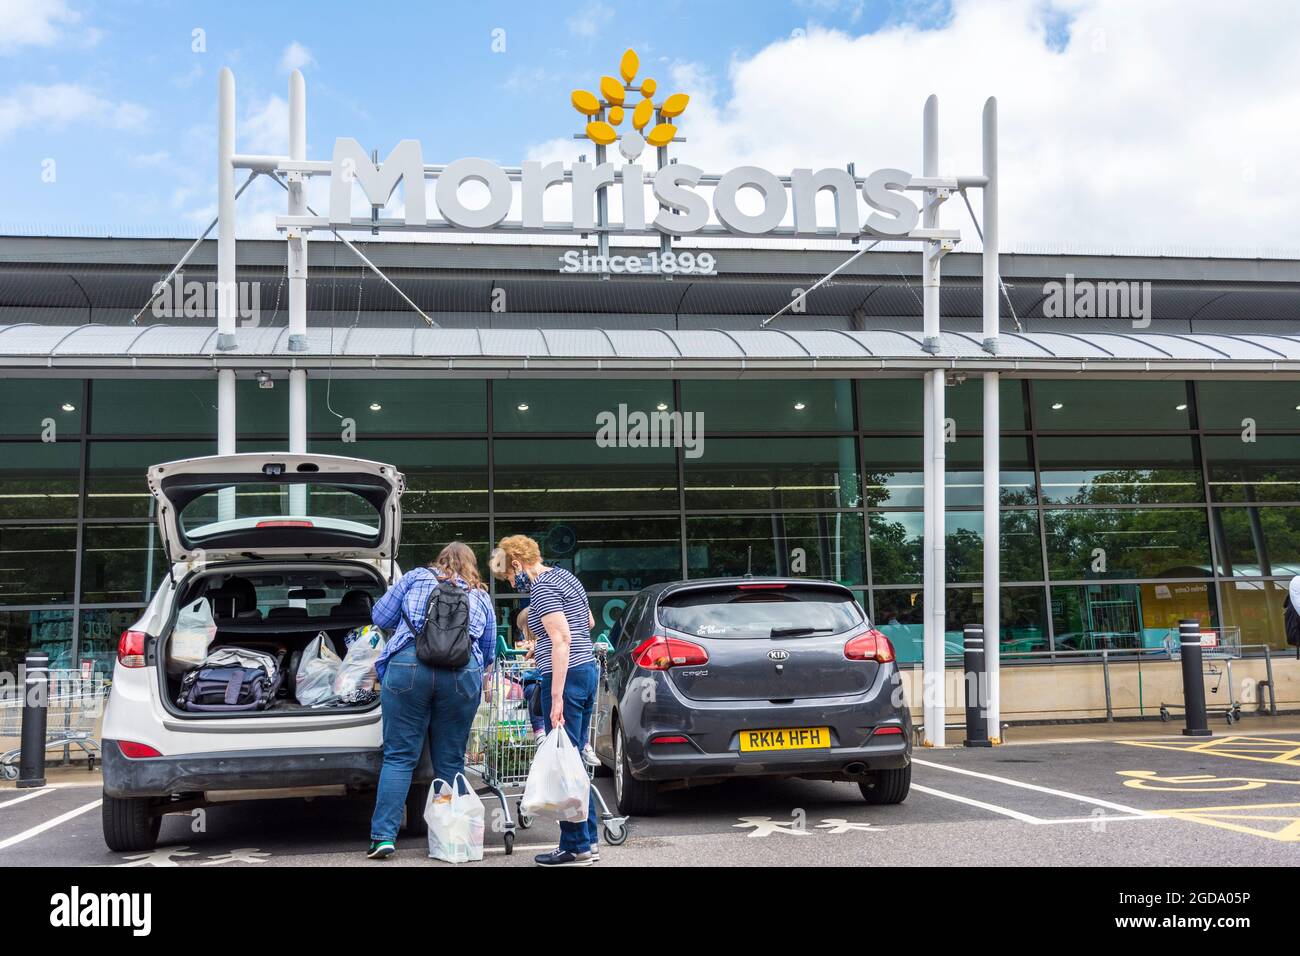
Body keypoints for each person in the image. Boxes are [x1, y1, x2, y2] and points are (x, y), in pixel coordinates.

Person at [365, 542, 496, 861]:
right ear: (472, 565)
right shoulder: (480, 595)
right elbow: (489, 650)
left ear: (440, 560)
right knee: (450, 761)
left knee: (399, 757)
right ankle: (447, 838)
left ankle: (383, 837)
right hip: (461, 674)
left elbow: (379, 615)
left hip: (408, 667)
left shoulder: (415, 577)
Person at [496, 534, 600, 867]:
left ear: (516, 564)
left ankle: (575, 846)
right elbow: (588, 622)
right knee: (574, 759)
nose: (514, 585)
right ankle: (589, 839)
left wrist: (555, 695)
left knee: (563, 761)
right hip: (587, 670)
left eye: (511, 578)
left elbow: (561, 637)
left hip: (566, 677)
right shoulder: (566, 577)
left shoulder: (540, 589)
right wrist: (542, 641)